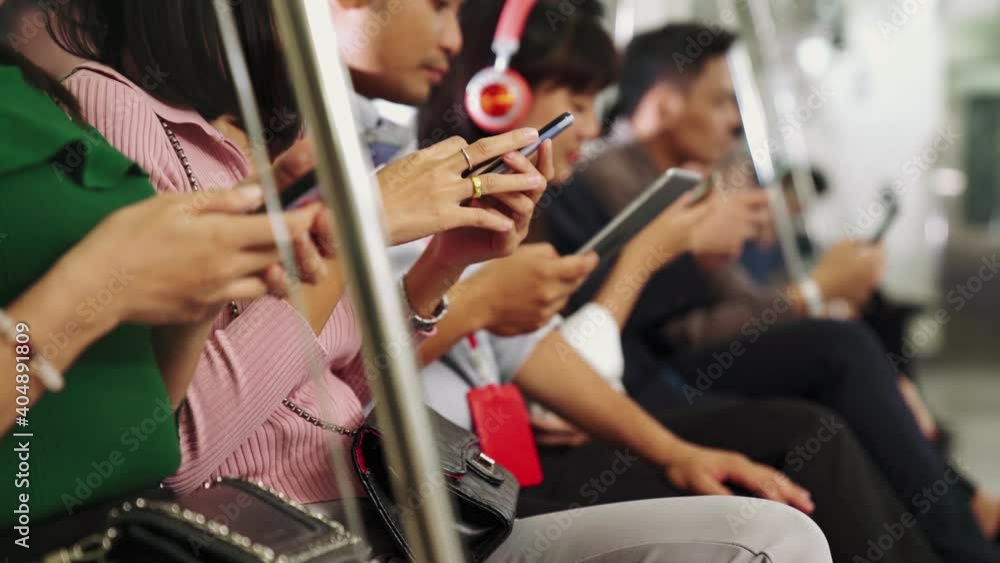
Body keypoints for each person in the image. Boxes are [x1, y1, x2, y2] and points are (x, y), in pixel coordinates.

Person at [2, 1, 837, 561]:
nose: (446, 33)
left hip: (391, 507)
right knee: (775, 519)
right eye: (435, 4)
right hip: (308, 526)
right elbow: (181, 443)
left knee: (778, 522)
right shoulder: (126, 115)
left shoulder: (257, 143)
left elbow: (347, 383)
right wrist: (361, 229)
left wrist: (437, 270)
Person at [542, 22, 1000, 563]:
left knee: (854, 348)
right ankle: (965, 523)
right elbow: (676, 327)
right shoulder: (610, 181)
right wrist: (803, 289)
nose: (734, 122)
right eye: (720, 102)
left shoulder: (685, 181)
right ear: (666, 103)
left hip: (651, 366)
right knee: (836, 359)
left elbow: (723, 298)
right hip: (651, 377)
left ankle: (960, 509)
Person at [0, 44, 331, 559]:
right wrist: (94, 292)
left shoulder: (24, 85)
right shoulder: (106, 99)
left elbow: (151, 416)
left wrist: (203, 282)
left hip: (137, 532)